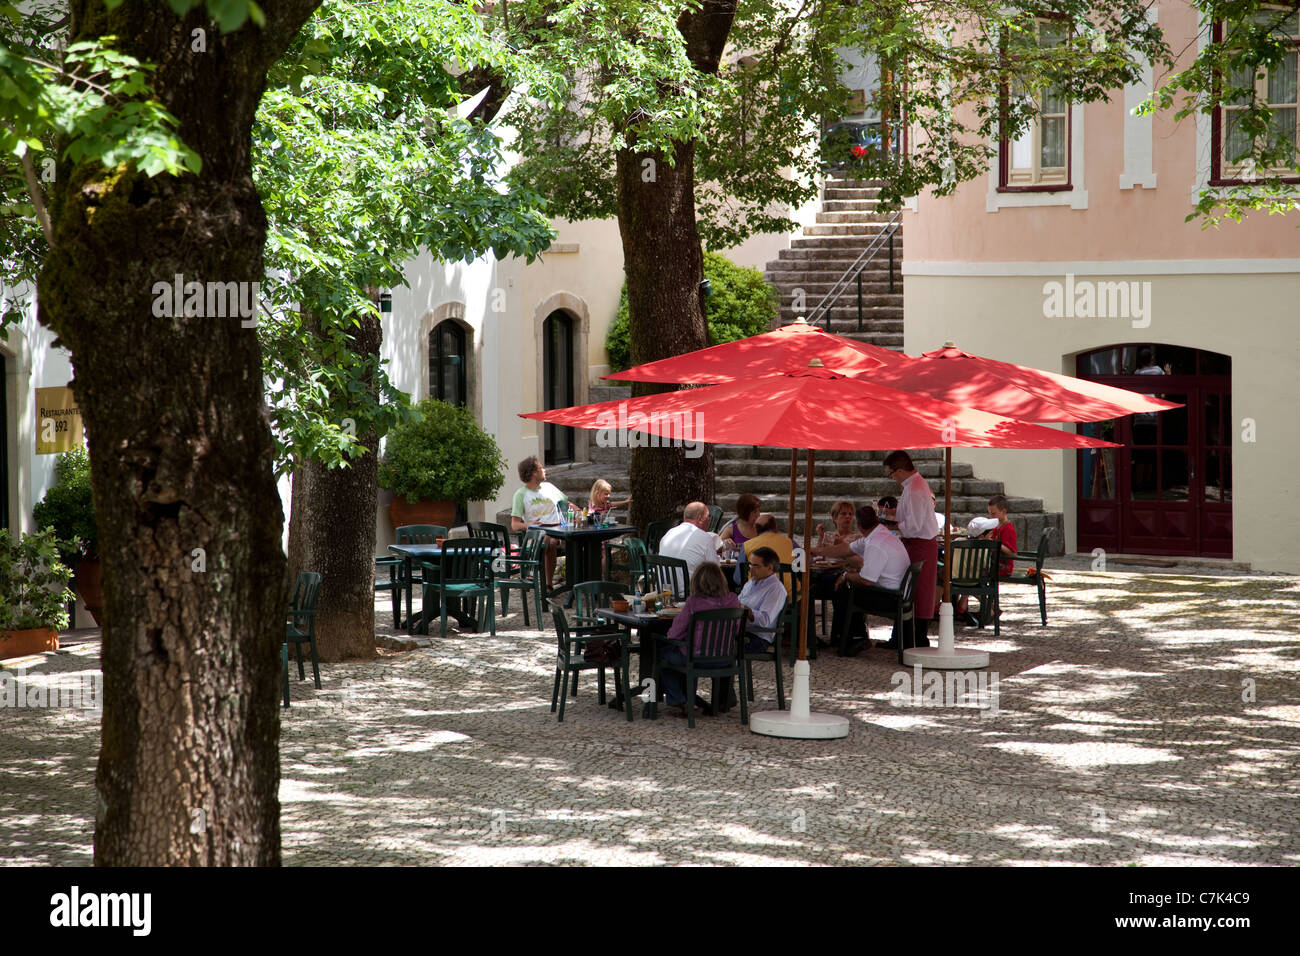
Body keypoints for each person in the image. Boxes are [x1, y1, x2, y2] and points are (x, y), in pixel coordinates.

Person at [810, 505, 911, 654]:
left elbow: (866, 580)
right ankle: (843, 637)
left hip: (891, 598)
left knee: (845, 591)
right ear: (877, 520)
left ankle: (856, 638)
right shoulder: (880, 533)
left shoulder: (875, 544)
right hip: (898, 592)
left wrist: (845, 576)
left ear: (858, 525)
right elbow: (846, 549)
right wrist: (815, 550)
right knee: (845, 588)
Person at [658, 563, 741, 719]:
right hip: (725, 659)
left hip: (696, 659)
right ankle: (694, 700)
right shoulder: (733, 600)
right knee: (682, 653)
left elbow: (674, 634)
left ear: (696, 581)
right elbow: (736, 630)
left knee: (664, 655)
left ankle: (680, 700)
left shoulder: (693, 603)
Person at [884, 450, 937, 648]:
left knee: (918, 592)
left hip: (920, 544)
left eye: (891, 473)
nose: (892, 478)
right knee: (909, 590)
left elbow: (914, 525)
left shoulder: (915, 489)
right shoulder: (912, 485)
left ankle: (917, 638)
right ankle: (901, 637)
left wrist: (893, 525)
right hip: (916, 544)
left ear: (899, 470)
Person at [510, 456, 567, 588]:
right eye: (542, 467)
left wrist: (581, 512)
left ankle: (549, 583)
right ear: (534, 472)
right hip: (536, 536)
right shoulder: (520, 495)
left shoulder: (549, 487)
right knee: (549, 541)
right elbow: (515, 525)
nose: (545, 470)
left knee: (563, 541)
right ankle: (546, 583)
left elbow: (566, 503)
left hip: (559, 531)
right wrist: (529, 525)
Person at [657, 501, 724, 590]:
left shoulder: (668, 534)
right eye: (708, 518)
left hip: (665, 593)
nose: (709, 522)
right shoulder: (705, 538)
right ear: (700, 519)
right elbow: (716, 570)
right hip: (691, 595)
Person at [738, 547, 789, 654]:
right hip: (742, 631)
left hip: (758, 637)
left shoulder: (776, 589)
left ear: (769, 568)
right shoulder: (751, 582)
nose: (750, 568)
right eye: (750, 564)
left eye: (755, 566)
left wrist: (747, 611)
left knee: (719, 645)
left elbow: (765, 620)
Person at [743, 514, 795, 596]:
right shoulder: (790, 542)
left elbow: (737, 578)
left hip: (757, 596)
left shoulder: (747, 545)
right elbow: (807, 560)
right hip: (788, 595)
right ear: (775, 527)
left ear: (756, 530)